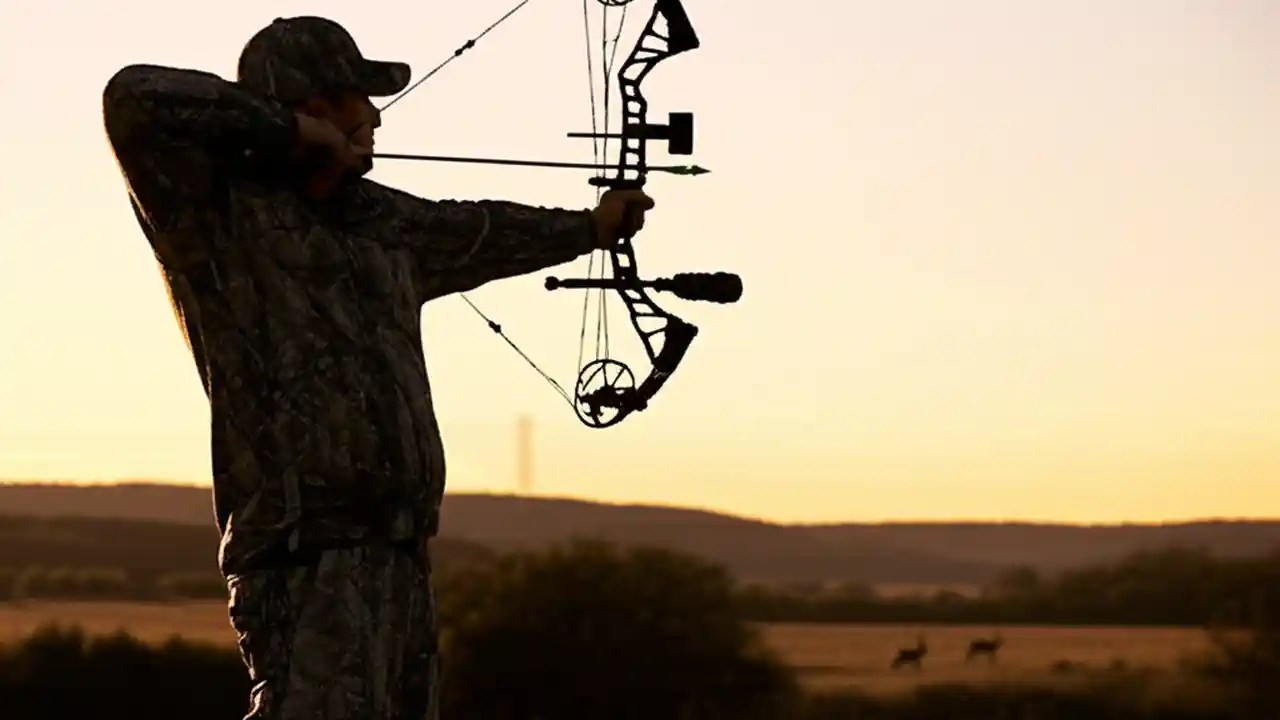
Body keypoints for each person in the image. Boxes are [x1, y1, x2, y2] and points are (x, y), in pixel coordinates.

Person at [100, 15, 652, 720]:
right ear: (316, 105)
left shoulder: (380, 222)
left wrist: (590, 229)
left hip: (401, 547)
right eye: (359, 98)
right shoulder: (217, 210)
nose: (375, 117)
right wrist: (292, 137)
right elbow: (134, 98)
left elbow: (478, 227)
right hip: (307, 547)